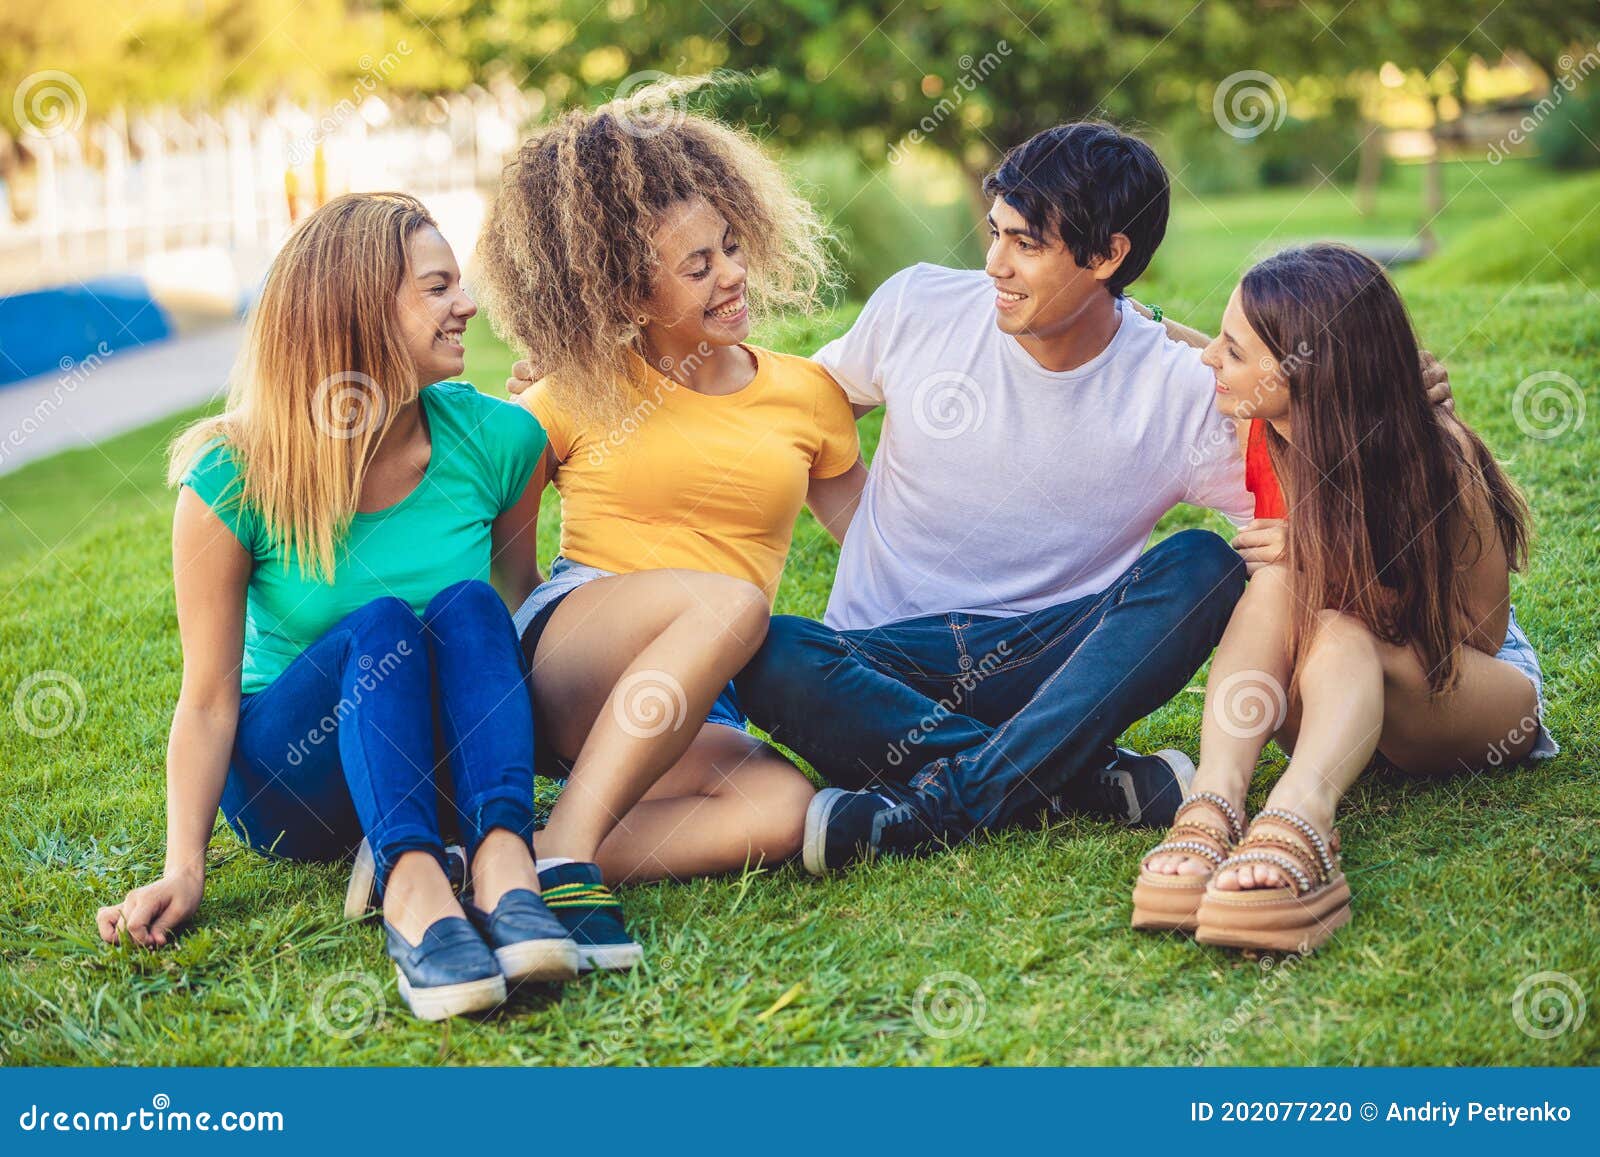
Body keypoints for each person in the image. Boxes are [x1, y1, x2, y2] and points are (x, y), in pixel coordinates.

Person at [95, 192, 579, 1020]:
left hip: (440, 760)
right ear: (357, 310)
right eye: (437, 287)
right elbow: (208, 698)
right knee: (383, 625)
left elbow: (514, 608)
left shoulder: (501, 440)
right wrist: (185, 865)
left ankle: (505, 870)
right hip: (294, 780)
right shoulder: (232, 477)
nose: (467, 303)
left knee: (466, 604)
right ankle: (414, 892)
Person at [730, 121, 1259, 874]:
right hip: (885, 663)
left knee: (1205, 566)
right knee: (772, 649)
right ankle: (1068, 779)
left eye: (1027, 244)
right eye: (995, 232)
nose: (994, 264)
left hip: (1052, 665)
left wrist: (1408, 410)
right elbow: (795, 417)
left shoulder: (1176, 390)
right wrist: (866, 530)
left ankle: (950, 796)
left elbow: (1291, 525)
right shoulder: (919, 305)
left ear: (1108, 255)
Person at [476, 79, 865, 957]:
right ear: (625, 292)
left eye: (731, 247)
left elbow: (881, 552)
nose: (731, 276)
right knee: (729, 602)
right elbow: (505, 568)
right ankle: (571, 855)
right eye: (698, 267)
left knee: (783, 810)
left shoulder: (807, 394)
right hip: (576, 650)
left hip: (700, 688)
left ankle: (500, 859)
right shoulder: (568, 393)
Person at [1131, 243, 1557, 954]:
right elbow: (1234, 351)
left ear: (1310, 373)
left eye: (1230, 352)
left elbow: (1478, 636)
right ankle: (1214, 800)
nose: (1212, 361)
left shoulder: (1434, 454)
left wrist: (1328, 562)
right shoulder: (1261, 420)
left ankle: (1300, 811)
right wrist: (1125, 310)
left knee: (1312, 592)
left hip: (1457, 689)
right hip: (1328, 700)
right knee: (1281, 581)